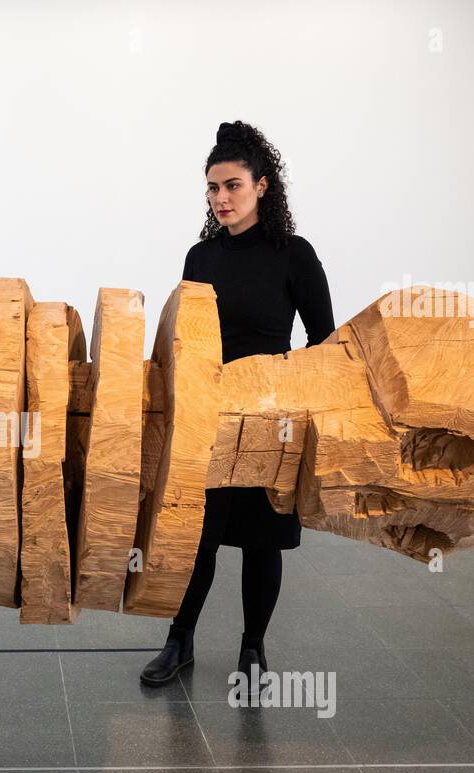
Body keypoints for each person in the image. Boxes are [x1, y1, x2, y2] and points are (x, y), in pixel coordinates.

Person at [140, 120, 335, 687]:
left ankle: (253, 649)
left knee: (262, 539)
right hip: (209, 417)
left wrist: (289, 400)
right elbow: (183, 341)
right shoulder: (201, 258)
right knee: (196, 534)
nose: (221, 198)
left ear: (262, 187)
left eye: (232, 186)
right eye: (212, 189)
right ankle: (179, 642)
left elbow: (323, 342)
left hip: (272, 422)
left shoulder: (293, 255)